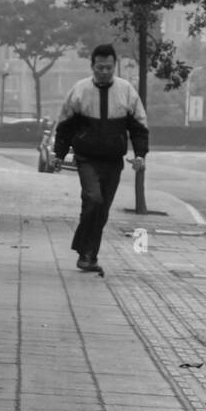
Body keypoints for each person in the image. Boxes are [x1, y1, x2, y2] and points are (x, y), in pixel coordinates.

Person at [52, 45, 149, 272]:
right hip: (87, 158)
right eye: (99, 67)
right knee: (94, 199)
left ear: (114, 66)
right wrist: (59, 154)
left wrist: (140, 155)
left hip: (113, 161)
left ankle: (88, 256)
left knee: (101, 210)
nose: (104, 71)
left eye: (108, 67)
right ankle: (83, 248)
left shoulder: (126, 91)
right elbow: (65, 126)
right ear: (92, 66)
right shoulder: (80, 90)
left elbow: (139, 127)